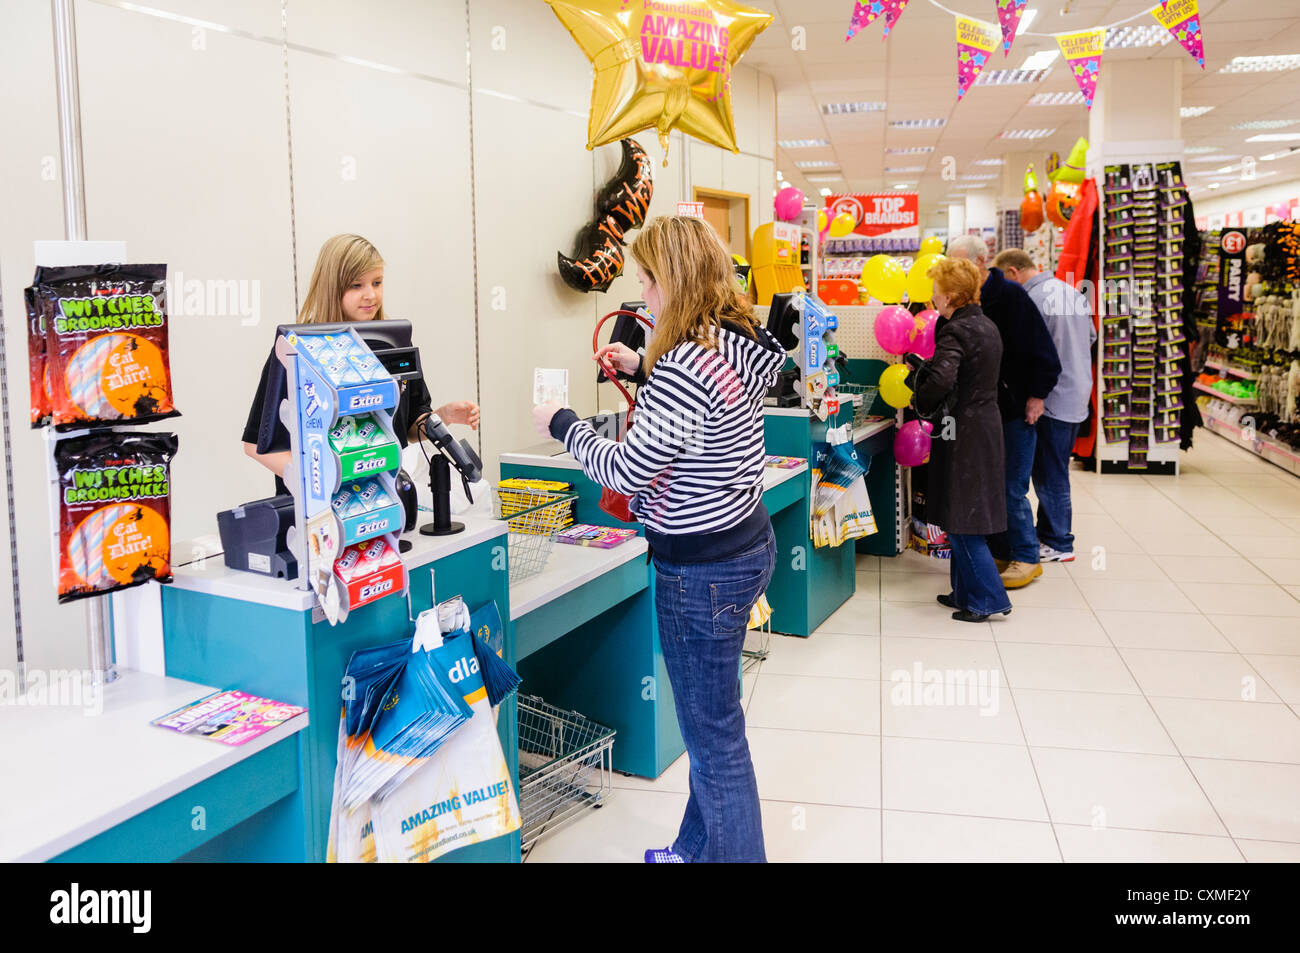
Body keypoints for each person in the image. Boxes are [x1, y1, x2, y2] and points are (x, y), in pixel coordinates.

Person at [532, 216, 787, 863]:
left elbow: (622, 468)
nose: (642, 296)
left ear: (672, 280)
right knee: (717, 725)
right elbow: (707, 392)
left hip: (698, 569)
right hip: (747, 545)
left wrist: (563, 423)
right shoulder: (734, 343)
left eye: (647, 280)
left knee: (713, 739)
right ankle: (693, 850)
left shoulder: (683, 366)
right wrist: (640, 363)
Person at [242, 234, 479, 493]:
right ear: (332, 288)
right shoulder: (295, 351)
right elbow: (256, 446)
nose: (371, 295)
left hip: (382, 504)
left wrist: (441, 416)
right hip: (320, 515)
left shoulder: (394, 345)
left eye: (377, 283)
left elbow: (408, 428)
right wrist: (322, 481)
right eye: (356, 285)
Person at [946, 235, 1061, 590]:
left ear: (982, 263)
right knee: (989, 487)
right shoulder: (964, 303)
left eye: (960, 263)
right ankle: (1000, 551)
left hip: (1013, 410)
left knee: (1012, 487)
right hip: (981, 413)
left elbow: (1043, 353)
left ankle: (1027, 557)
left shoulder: (1010, 297)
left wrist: (1036, 396)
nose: (953, 271)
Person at [909, 257, 1011, 623]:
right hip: (985, 425)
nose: (933, 299)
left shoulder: (954, 331)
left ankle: (987, 598)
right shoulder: (986, 325)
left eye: (936, 293)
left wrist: (920, 392)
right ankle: (963, 593)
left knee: (962, 518)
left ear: (950, 296)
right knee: (964, 510)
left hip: (963, 430)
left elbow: (942, 380)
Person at [993, 248, 1095, 562]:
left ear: (1012, 272)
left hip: (1051, 396)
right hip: (1076, 391)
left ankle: (1058, 541)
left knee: (1049, 473)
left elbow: (1034, 352)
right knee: (1055, 468)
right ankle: (1052, 536)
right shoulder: (1071, 292)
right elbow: (1090, 336)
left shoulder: (1033, 300)